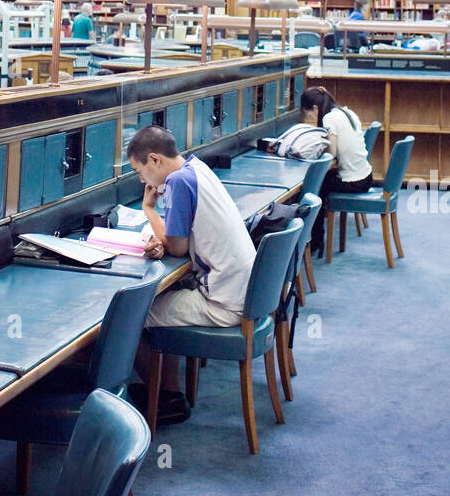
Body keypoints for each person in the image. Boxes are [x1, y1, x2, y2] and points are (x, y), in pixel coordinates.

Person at [126, 125, 256, 420]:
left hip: (224, 302)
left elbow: (176, 247)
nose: (141, 179)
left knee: (128, 317)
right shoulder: (197, 168)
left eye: (140, 170)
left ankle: (167, 399)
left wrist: (149, 209)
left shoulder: (177, 183)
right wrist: (164, 240)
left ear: (155, 160)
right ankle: (164, 391)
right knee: (166, 296)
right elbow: (179, 243)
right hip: (244, 292)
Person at [301, 85, 373, 256]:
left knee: (313, 190)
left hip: (354, 182)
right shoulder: (347, 112)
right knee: (321, 184)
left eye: (310, 113)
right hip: (366, 176)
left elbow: (330, 156)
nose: (311, 117)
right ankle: (315, 238)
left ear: (316, 108)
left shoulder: (329, 119)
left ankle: (315, 240)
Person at [259, 89, 329, 160]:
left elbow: (331, 154)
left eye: (308, 113)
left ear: (315, 108)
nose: (309, 116)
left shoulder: (328, 119)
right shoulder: (331, 115)